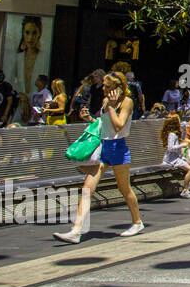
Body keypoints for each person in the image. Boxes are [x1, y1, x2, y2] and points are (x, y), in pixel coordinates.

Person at [53, 71, 144, 243]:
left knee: (124, 189)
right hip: (104, 148)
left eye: (107, 86)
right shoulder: (105, 101)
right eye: (103, 85)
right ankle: (76, 230)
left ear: (118, 87)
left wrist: (110, 106)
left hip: (118, 148)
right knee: (88, 189)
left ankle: (137, 222)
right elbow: (104, 126)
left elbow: (118, 126)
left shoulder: (127, 102)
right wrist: (90, 119)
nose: (103, 88)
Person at [159, 112, 190, 198]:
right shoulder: (172, 135)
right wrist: (182, 145)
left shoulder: (174, 134)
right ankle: (185, 190)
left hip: (177, 157)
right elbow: (170, 147)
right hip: (172, 159)